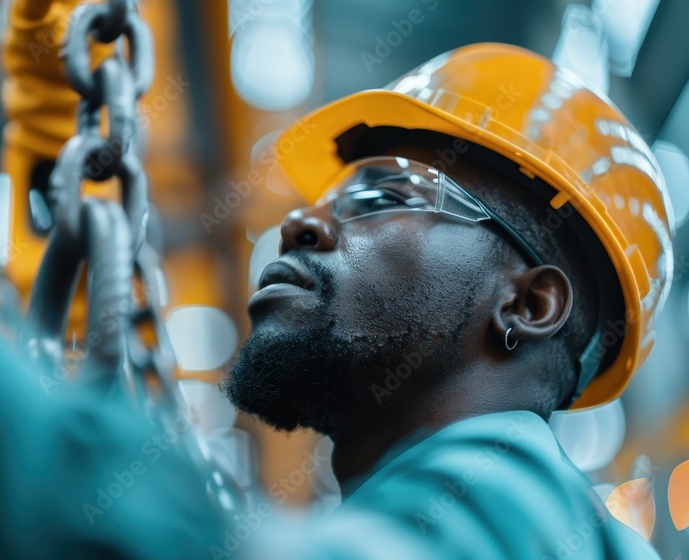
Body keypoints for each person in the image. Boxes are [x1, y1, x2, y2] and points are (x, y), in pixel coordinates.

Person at [222, 43, 672, 558]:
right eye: (321, 201)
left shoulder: (509, 499)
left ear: (529, 305)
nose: (299, 222)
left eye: (382, 196)